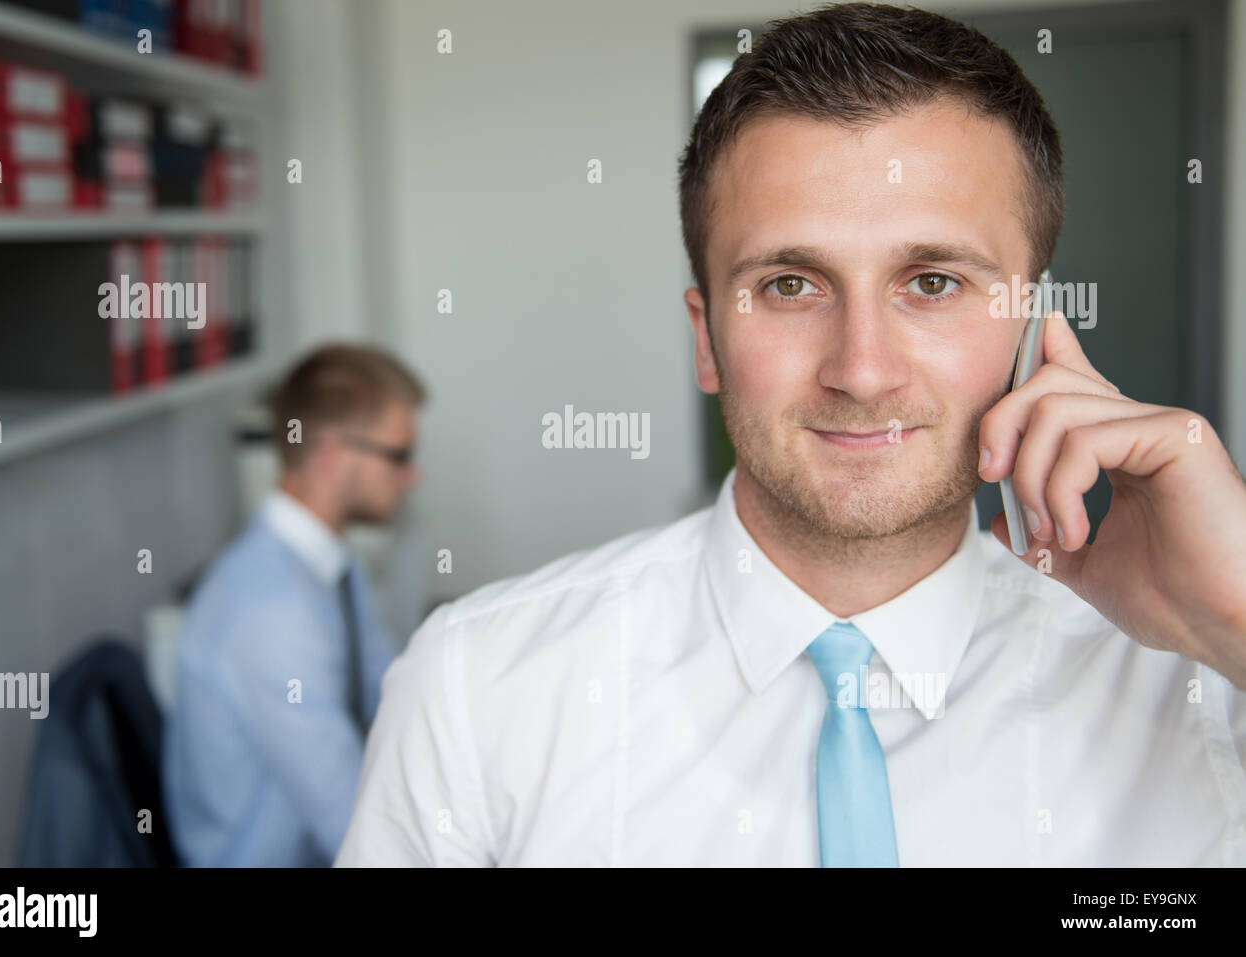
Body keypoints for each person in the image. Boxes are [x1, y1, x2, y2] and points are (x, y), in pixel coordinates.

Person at [336, 4, 1246, 866]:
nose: (861, 369)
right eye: (790, 285)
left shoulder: (1199, 679)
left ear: (1031, 329)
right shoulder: (475, 691)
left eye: (931, 283)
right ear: (706, 339)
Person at [164, 343, 424, 866]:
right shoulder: (273, 612)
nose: (410, 476)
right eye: (398, 456)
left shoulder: (331, 565)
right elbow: (354, 832)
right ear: (331, 456)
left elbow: (393, 698)